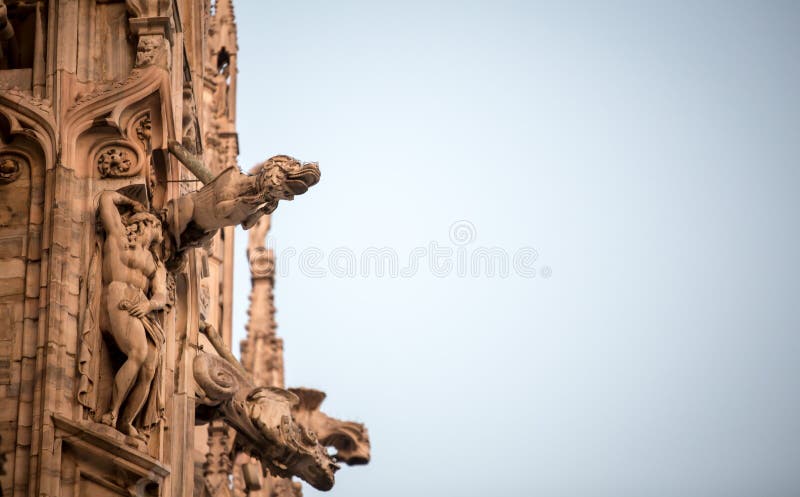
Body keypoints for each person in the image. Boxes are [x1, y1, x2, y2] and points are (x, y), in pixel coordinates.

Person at [97, 191, 167, 440]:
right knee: (138, 352)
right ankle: (112, 413)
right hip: (118, 295)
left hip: (142, 307)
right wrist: (129, 202)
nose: (155, 235)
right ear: (142, 224)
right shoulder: (118, 236)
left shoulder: (156, 263)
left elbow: (161, 296)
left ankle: (127, 421)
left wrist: (149, 306)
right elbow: (105, 199)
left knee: (150, 367)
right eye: (153, 227)